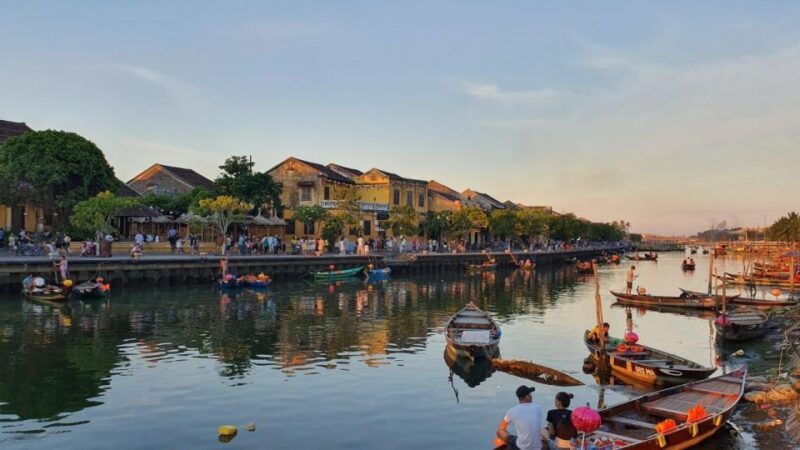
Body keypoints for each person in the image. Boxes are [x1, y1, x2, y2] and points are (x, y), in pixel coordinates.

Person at [495, 385, 542, 450]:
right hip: (537, 448)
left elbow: (502, 427)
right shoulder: (538, 408)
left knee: (499, 432)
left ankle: (504, 446)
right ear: (525, 397)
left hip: (521, 448)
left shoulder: (512, 411)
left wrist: (500, 439)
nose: (531, 396)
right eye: (529, 394)